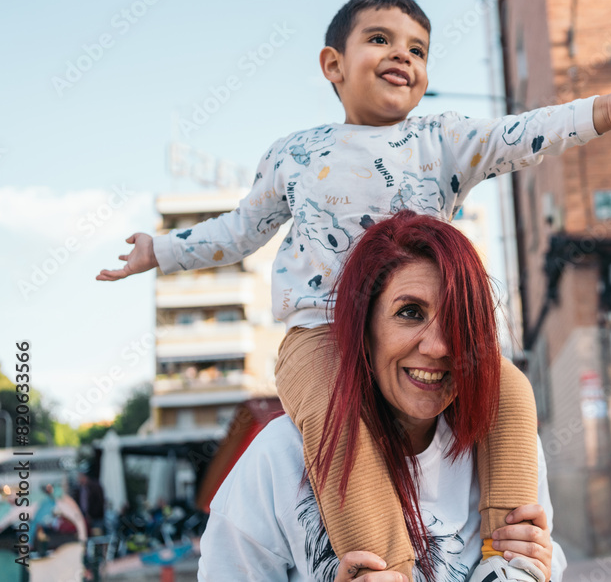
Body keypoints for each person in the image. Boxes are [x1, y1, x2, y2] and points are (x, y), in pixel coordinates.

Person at [98, 0, 611, 581]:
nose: (401, 55)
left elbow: (521, 134)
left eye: (418, 49)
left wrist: (604, 113)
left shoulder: (442, 139)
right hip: (321, 333)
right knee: (340, 428)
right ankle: (391, 568)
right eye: (380, 39)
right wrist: (163, 250)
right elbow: (241, 228)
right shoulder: (296, 155)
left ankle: (505, 558)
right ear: (333, 64)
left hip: (426, 314)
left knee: (510, 388)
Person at [198, 211, 564, 581]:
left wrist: (544, 562)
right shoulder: (278, 461)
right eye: (410, 313)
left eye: (458, 319)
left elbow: (546, 558)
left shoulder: (505, 448)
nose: (438, 346)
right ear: (364, 327)